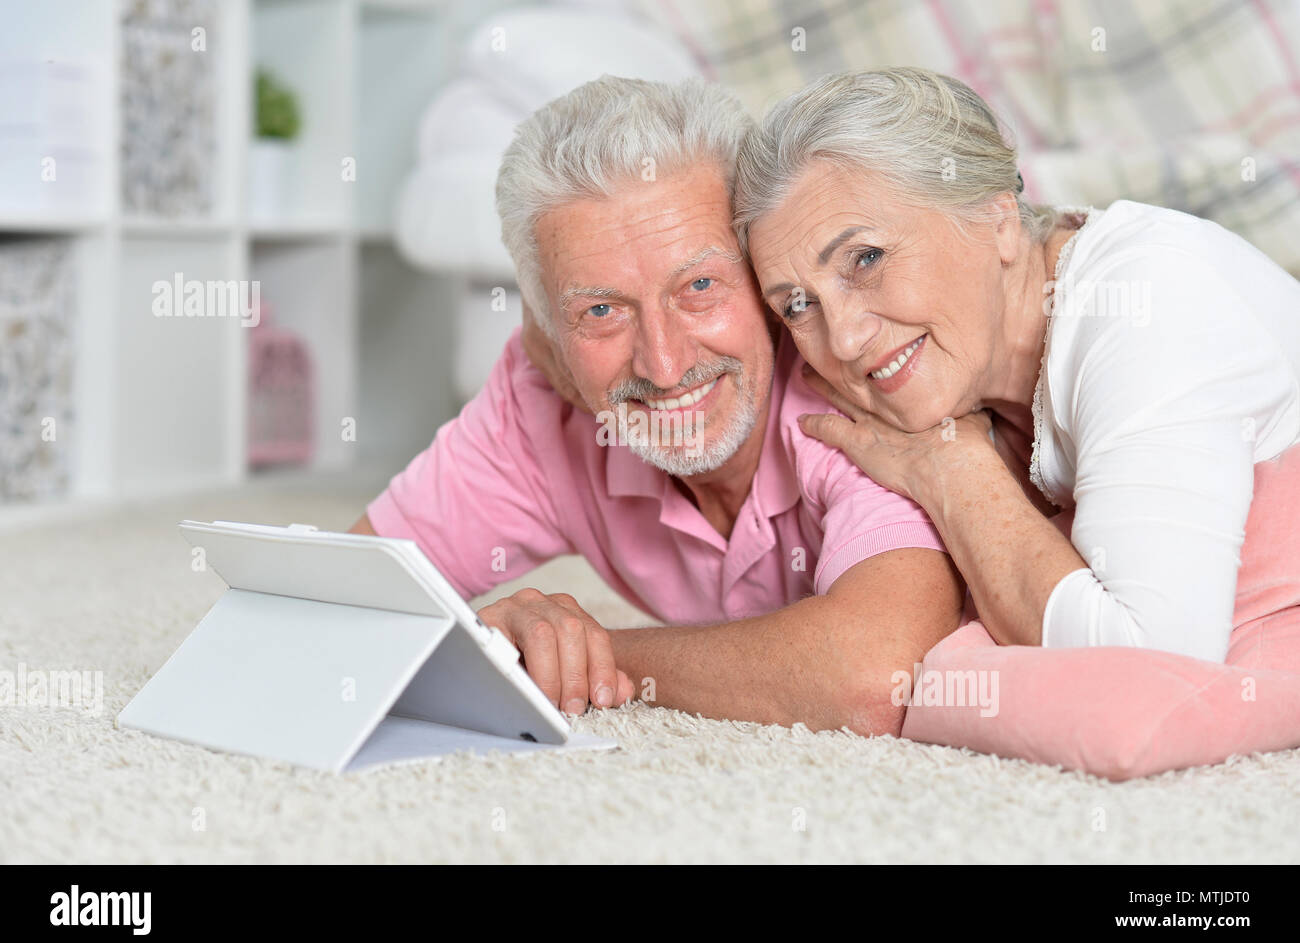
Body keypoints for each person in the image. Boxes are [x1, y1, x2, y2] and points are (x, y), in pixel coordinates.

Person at [349, 76, 964, 735]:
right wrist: (492, 641)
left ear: (764, 273)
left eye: (700, 285)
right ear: (547, 333)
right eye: (602, 311)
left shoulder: (851, 367)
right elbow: (341, 597)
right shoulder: (542, 396)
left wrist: (596, 653)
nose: (665, 366)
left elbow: (874, 674)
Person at [732, 67, 1300, 663]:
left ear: (997, 218)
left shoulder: (1145, 305)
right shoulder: (972, 373)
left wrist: (952, 468)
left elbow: (1153, 661)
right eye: (797, 304)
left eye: (866, 258)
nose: (844, 339)